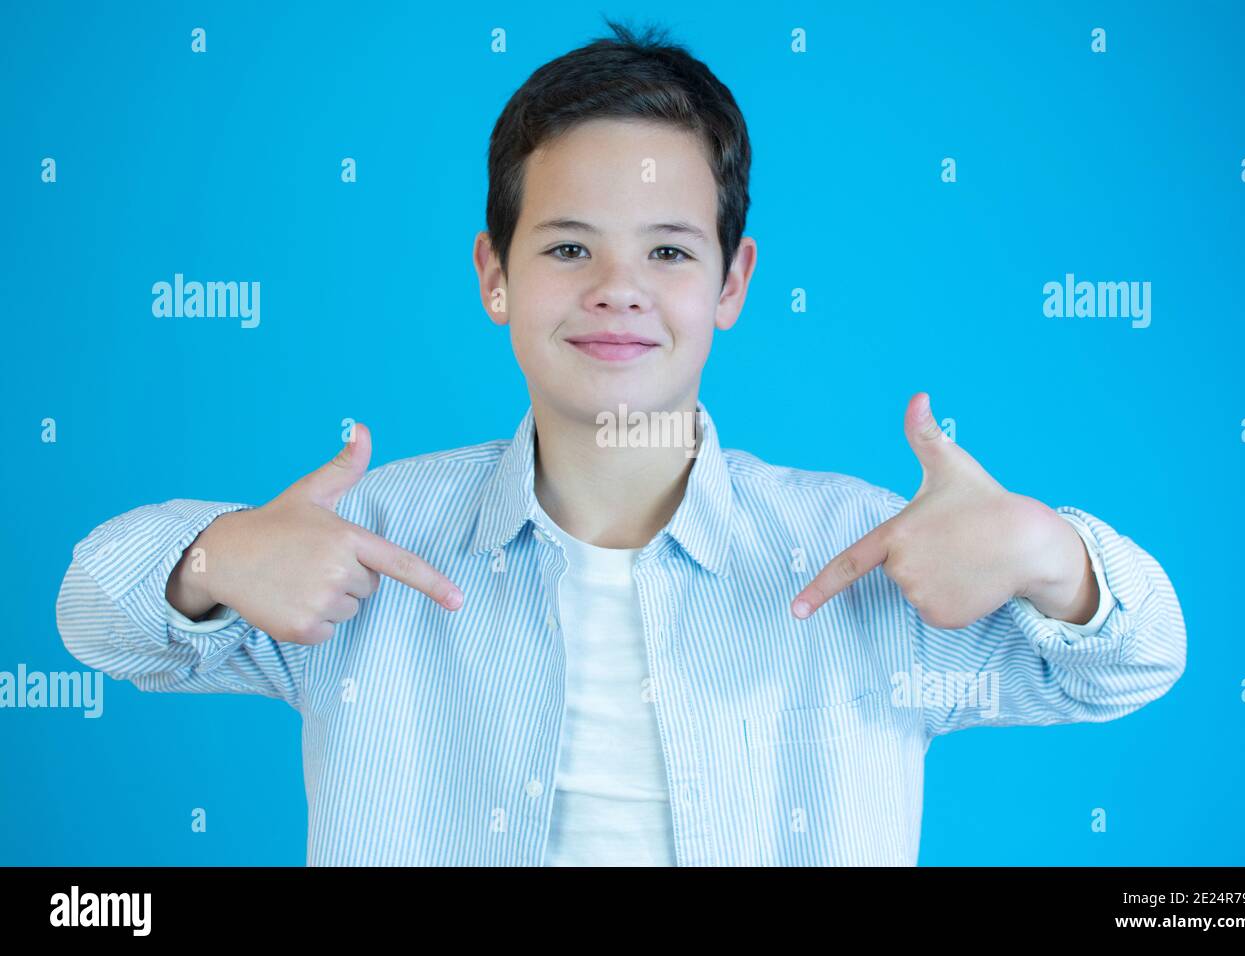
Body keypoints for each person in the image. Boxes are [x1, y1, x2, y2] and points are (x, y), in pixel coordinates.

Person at [55, 18, 1185, 866]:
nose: (616, 292)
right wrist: (213, 559)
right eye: (564, 249)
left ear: (733, 282)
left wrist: (1050, 553)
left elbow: (1139, 660)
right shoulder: (362, 551)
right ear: (493, 274)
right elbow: (95, 615)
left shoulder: (868, 555)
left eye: (669, 252)